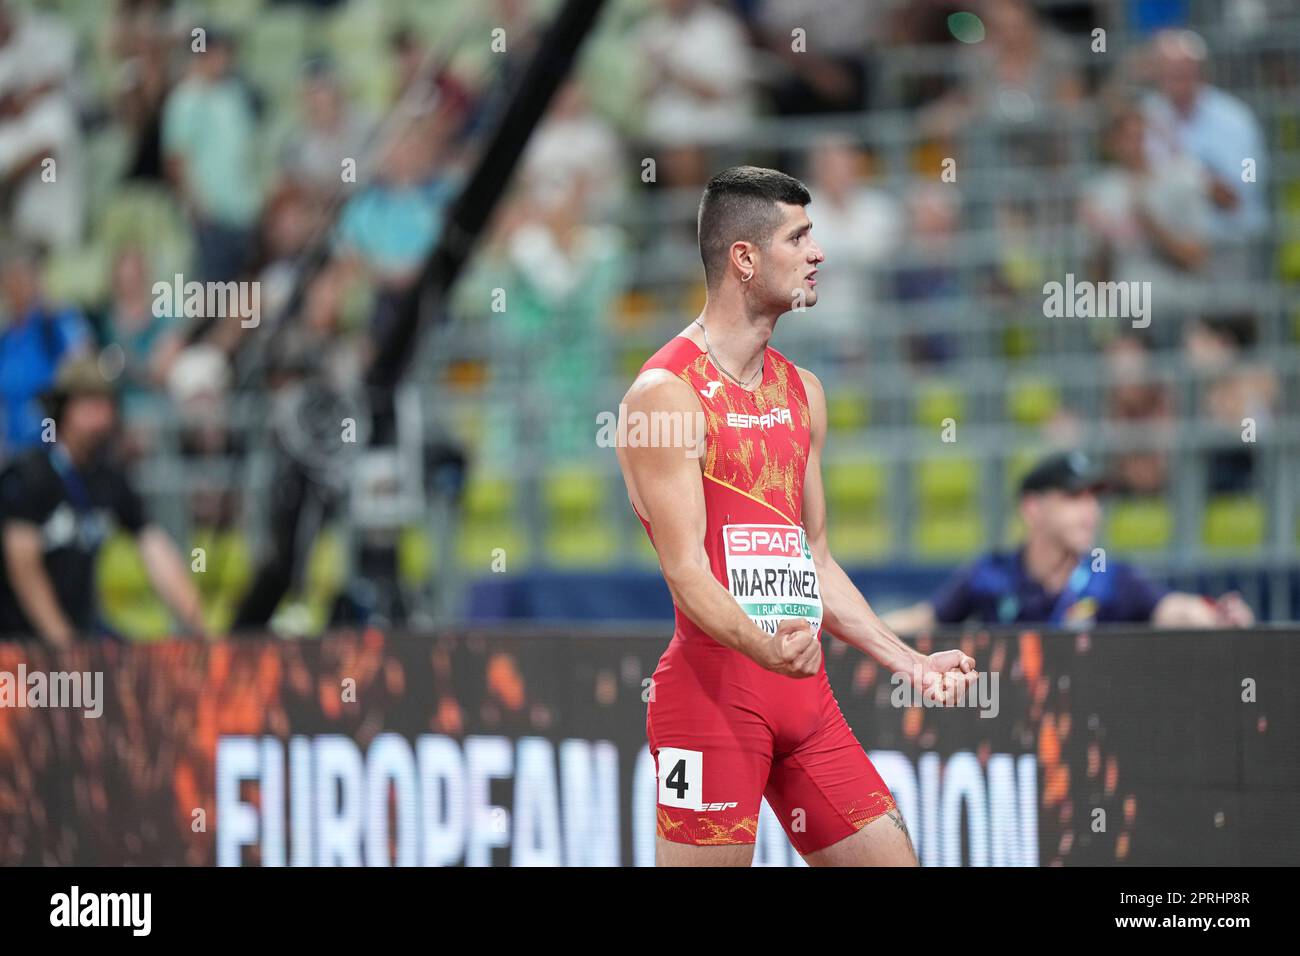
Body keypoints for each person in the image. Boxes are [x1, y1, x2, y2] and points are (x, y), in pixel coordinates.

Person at [614, 166, 977, 868]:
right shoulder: (665, 395)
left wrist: (910, 662)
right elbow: (686, 572)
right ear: (744, 259)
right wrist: (764, 647)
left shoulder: (802, 391)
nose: (818, 253)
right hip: (711, 704)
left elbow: (815, 559)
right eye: (799, 237)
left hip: (805, 702)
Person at [883, 451, 1256, 633]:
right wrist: (859, 631)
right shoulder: (988, 574)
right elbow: (925, 619)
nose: (1091, 511)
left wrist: (1216, 616)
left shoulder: (1112, 578)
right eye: (1074, 498)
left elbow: (1171, 609)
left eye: (1095, 498)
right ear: (1033, 508)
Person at [0, 355, 206, 645]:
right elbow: (24, 568)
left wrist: (202, 632)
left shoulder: (109, 479)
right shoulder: (30, 475)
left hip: (80, 634)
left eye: (107, 405)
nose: (102, 418)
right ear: (63, 410)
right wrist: (64, 647)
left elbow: (154, 547)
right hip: (18, 644)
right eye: (90, 405)